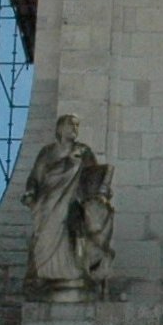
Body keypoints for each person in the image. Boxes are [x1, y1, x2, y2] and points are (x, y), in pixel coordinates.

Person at [22, 113, 110, 285]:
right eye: (71, 125)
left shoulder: (83, 152)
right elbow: (35, 176)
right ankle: (43, 272)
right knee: (44, 237)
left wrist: (101, 192)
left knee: (74, 231)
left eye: (77, 125)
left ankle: (73, 272)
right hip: (48, 202)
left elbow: (92, 177)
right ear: (60, 128)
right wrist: (31, 192)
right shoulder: (47, 152)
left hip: (72, 201)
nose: (75, 129)